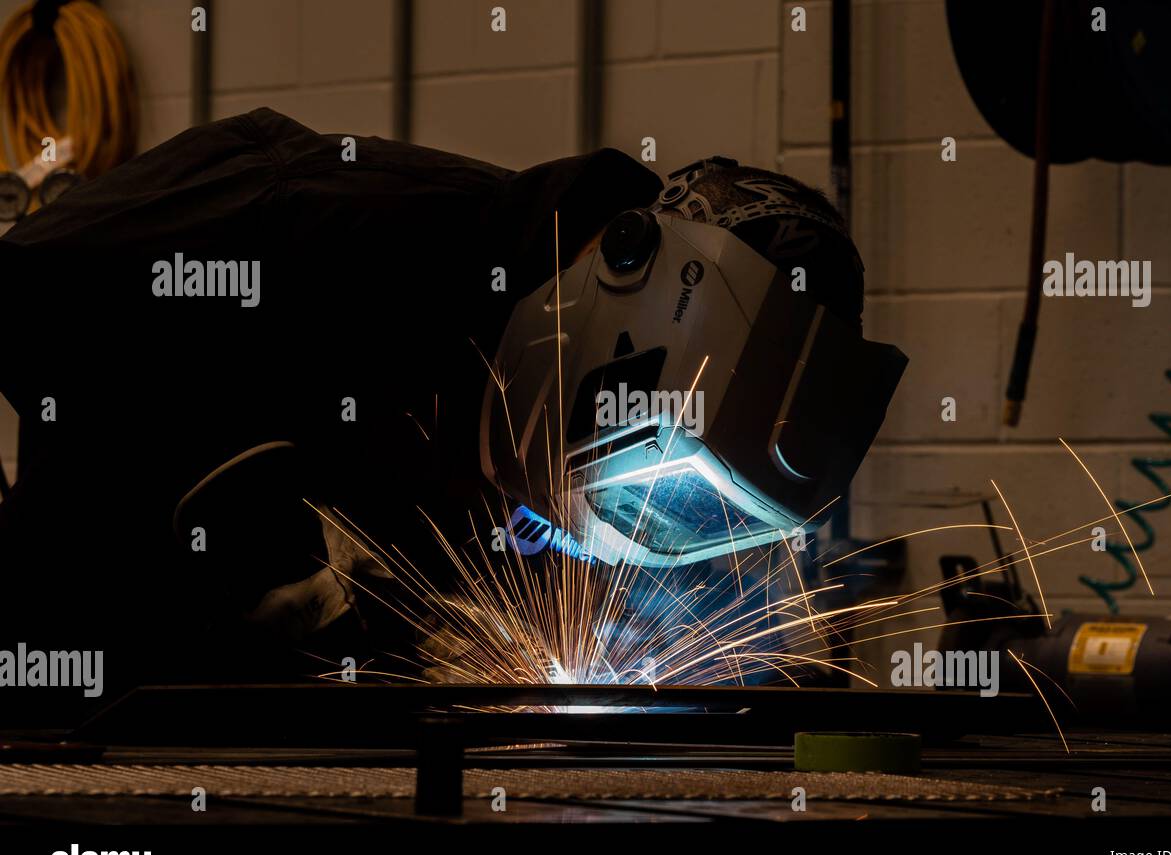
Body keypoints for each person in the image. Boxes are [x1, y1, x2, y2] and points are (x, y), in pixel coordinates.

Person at [0, 108, 873, 721]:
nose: (621, 526)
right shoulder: (299, 214)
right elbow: (22, 289)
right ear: (629, 280)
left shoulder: (552, 402)